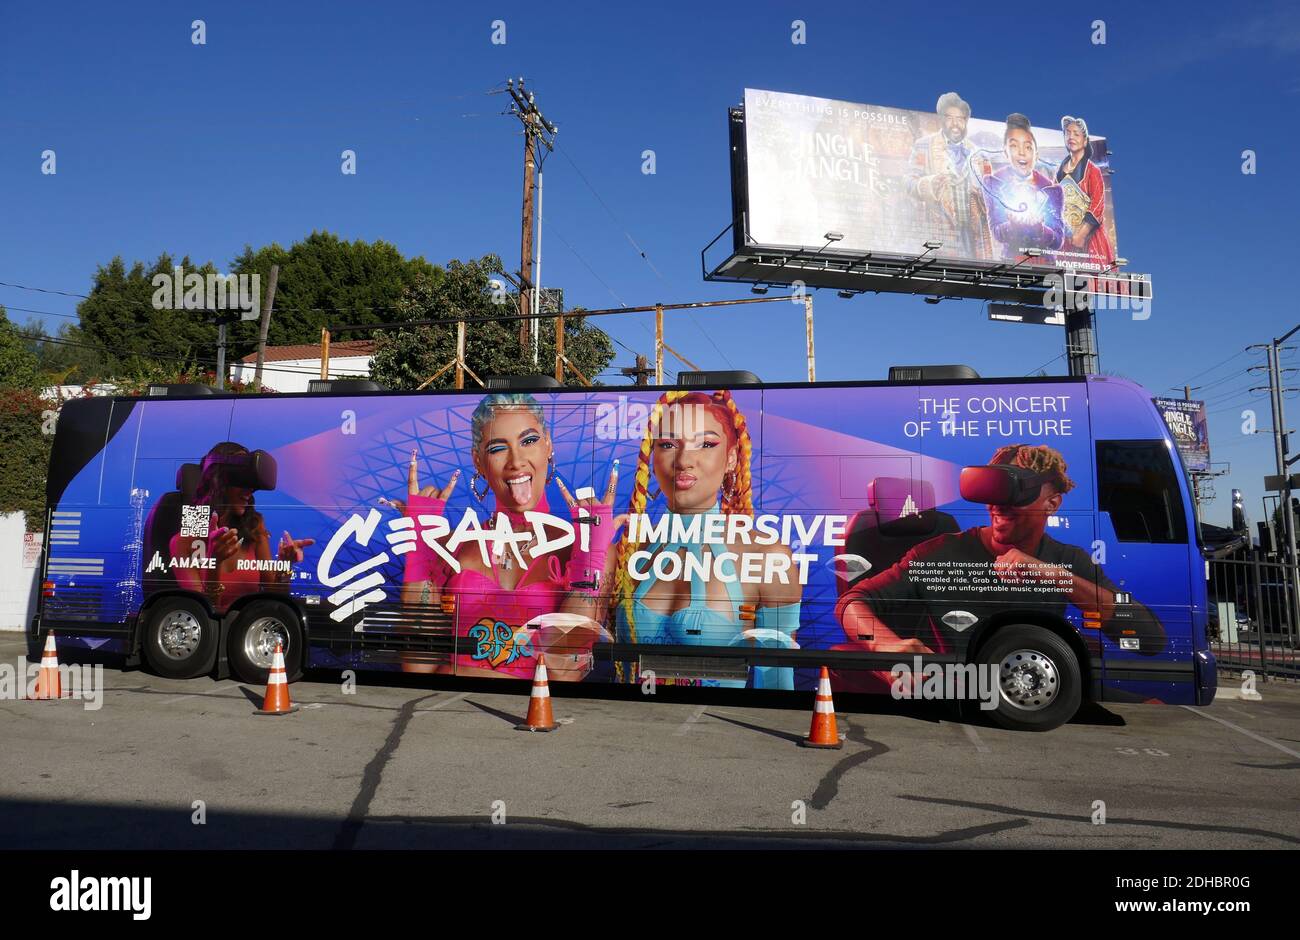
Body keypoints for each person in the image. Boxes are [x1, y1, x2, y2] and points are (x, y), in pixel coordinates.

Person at [835, 443, 1167, 661]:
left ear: (1052, 503)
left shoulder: (1068, 560)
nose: (998, 505)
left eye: (1016, 492)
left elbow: (1149, 638)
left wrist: (1053, 576)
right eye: (993, 490)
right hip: (948, 683)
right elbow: (852, 602)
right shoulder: (940, 552)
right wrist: (884, 644)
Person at [394, 393, 617, 680]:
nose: (516, 461)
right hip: (441, 710)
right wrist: (420, 552)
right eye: (498, 448)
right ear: (478, 461)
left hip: (526, 717)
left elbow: (564, 673)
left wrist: (591, 556)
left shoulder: (585, 549)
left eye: (529, 441)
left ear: (548, 445)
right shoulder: (453, 544)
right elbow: (417, 666)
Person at [609, 390, 801, 688]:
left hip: (717, 729)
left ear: (731, 458)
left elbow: (776, 683)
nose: (685, 460)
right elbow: (571, 648)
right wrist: (592, 551)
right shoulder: (628, 549)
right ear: (652, 455)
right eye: (669, 444)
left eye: (706, 444)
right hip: (627, 724)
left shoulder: (767, 554)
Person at [170, 442, 313, 610]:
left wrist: (285, 564)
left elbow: (275, 598)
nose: (250, 490)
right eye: (242, 480)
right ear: (218, 481)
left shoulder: (254, 527)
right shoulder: (184, 541)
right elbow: (202, 611)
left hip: (251, 631)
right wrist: (213, 563)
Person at [906, 91, 995, 261]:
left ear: (966, 121)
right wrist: (929, 184)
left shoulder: (980, 154)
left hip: (973, 236)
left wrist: (983, 195)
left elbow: (992, 194)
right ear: (941, 119)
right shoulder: (924, 146)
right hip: (941, 232)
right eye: (949, 118)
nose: (955, 124)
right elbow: (908, 182)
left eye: (960, 119)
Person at [983, 114, 1066, 263]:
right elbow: (996, 232)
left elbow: (1058, 240)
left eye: (1028, 147)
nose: (1022, 152)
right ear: (1005, 151)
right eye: (1014, 146)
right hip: (1011, 264)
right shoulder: (993, 183)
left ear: (1036, 154)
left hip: (1045, 265)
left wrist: (1041, 229)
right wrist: (1013, 225)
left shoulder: (1052, 189)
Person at [1055, 115, 1116, 270]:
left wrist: (1081, 234)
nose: (1071, 137)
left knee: (1091, 277)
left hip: (1089, 240)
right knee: (1066, 278)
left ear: (1085, 140)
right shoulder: (1059, 171)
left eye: (1076, 134)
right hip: (1067, 240)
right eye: (1067, 133)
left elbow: (1097, 206)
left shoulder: (1092, 171)